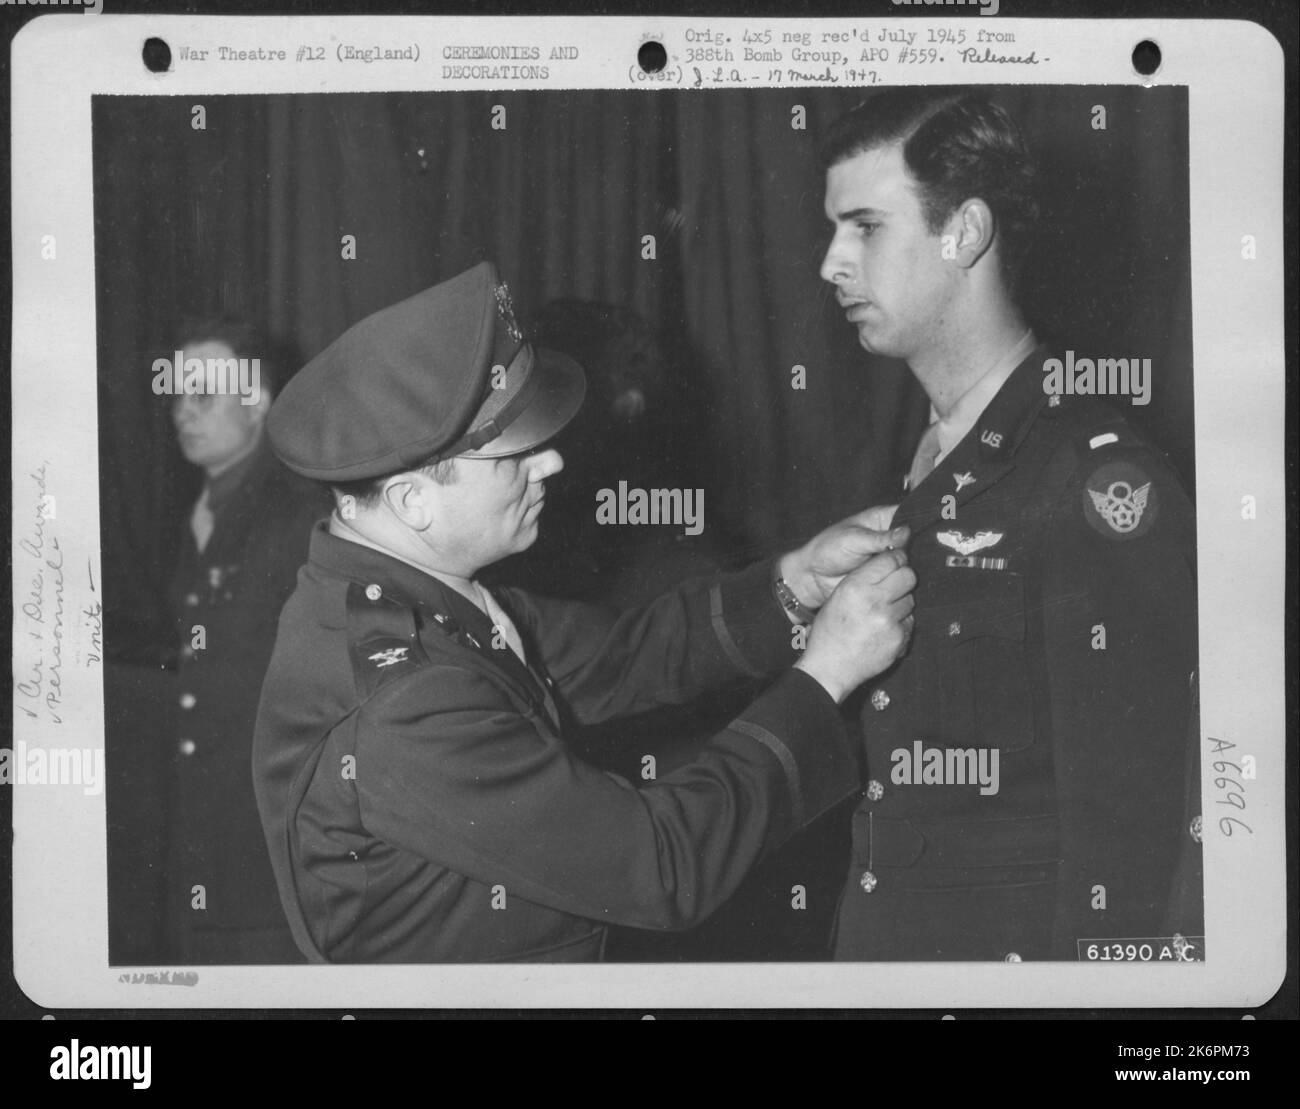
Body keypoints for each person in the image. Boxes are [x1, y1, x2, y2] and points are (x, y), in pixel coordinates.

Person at [252, 261, 916, 963]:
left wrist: (797, 581)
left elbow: (628, 653)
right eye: (515, 456)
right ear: (415, 500)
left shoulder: (426, 595)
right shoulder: (407, 699)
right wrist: (825, 677)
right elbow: (662, 864)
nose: (550, 466)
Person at [817, 89, 1202, 961]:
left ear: (965, 233)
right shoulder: (930, 456)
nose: (831, 263)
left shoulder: (1093, 480)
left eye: (865, 227)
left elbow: (1129, 843)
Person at [165, 319, 328, 963]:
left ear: (257, 401)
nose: (183, 410)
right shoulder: (205, 504)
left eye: (203, 394)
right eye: (177, 394)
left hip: (267, 844)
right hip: (204, 828)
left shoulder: (297, 509)